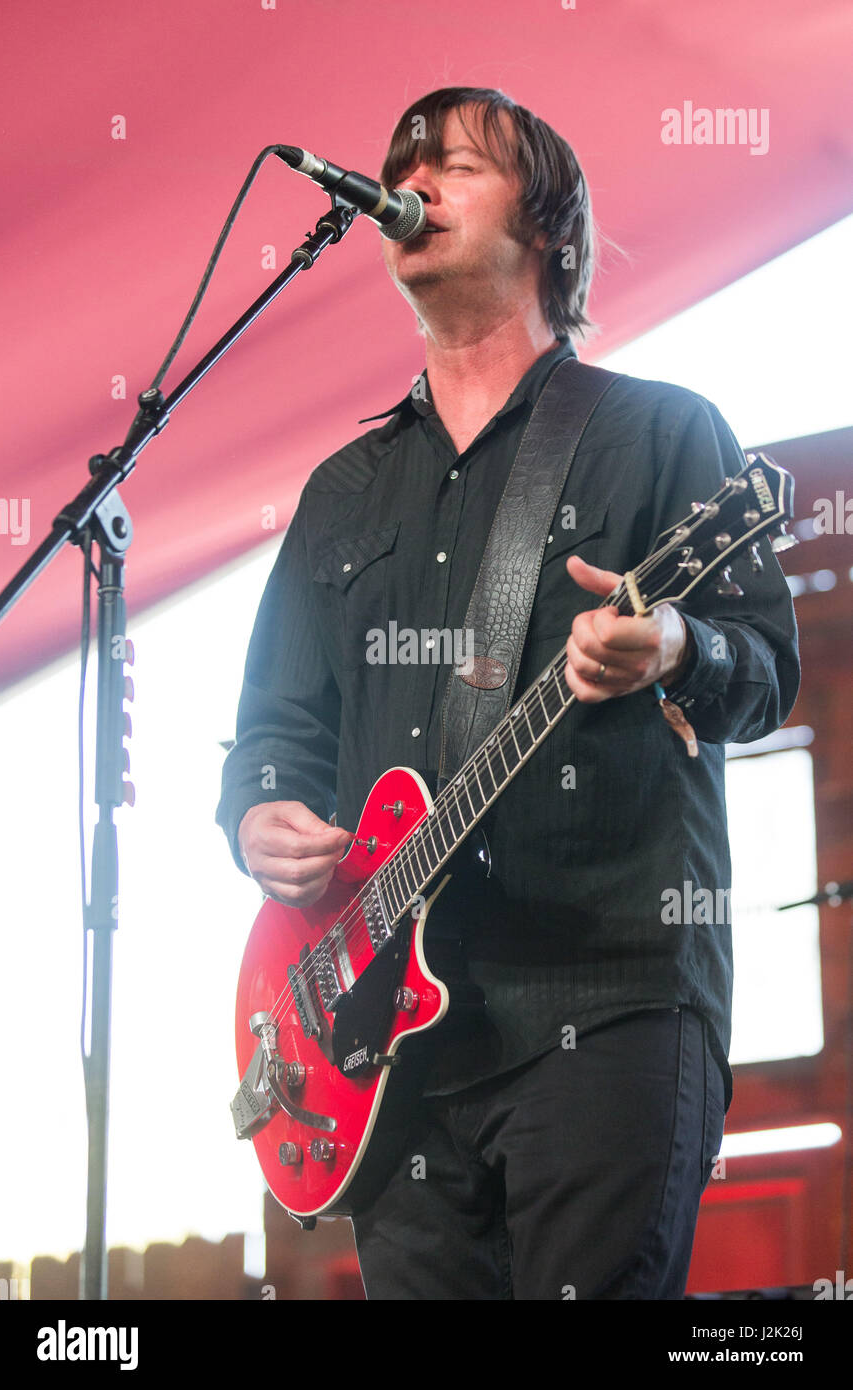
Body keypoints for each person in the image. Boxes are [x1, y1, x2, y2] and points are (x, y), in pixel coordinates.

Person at [216, 87, 800, 1300]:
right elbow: (275, 733)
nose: (412, 185)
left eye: (457, 168)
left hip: (606, 1001)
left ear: (551, 231)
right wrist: (258, 817)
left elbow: (763, 672)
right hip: (386, 1042)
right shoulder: (340, 494)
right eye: (401, 167)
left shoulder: (659, 435)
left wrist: (676, 643)